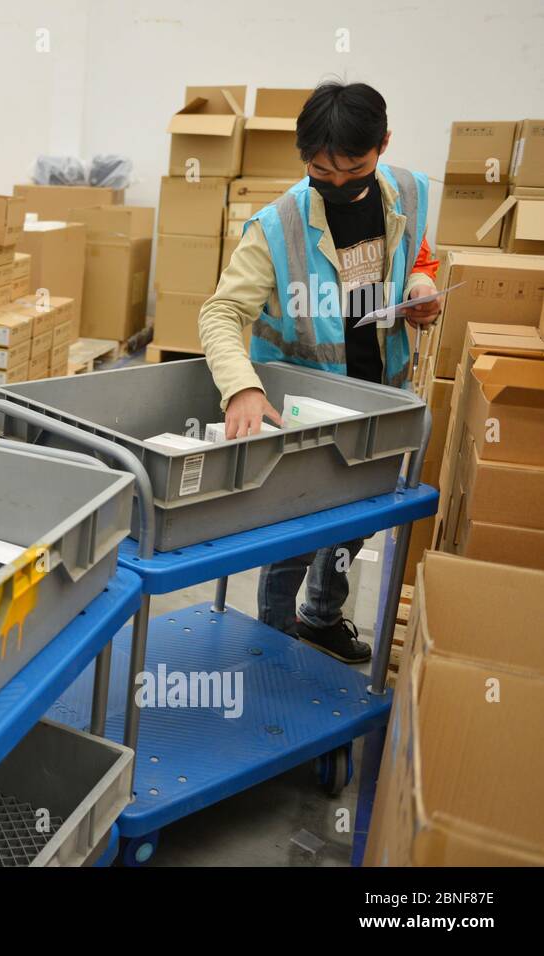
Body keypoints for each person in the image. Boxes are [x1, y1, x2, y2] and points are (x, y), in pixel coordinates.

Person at [197, 81, 440, 664]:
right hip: (303, 406)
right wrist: (243, 388)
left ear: (383, 145)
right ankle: (274, 647)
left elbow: (420, 253)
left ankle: (321, 617)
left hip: (379, 394)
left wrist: (421, 287)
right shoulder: (276, 226)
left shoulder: (407, 190)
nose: (337, 184)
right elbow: (221, 312)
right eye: (320, 172)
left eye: (352, 170)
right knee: (294, 537)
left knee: (357, 521)